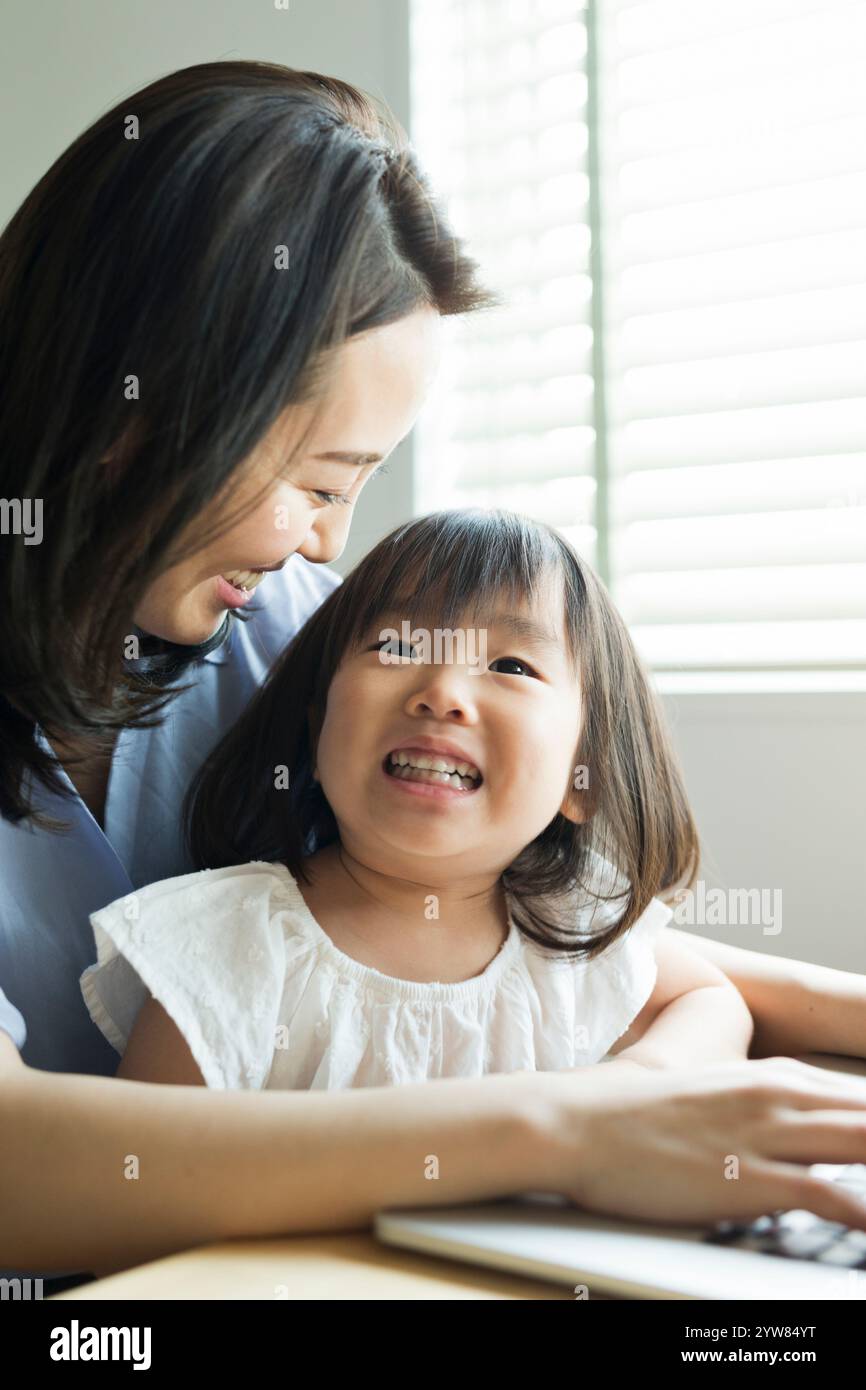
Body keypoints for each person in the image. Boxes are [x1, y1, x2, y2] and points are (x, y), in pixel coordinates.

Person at [2, 60, 865, 1291]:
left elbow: (558, 938)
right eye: (316, 480)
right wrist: (569, 1130)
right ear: (142, 412)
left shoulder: (273, 631)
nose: (326, 545)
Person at [80, 508, 756, 1090]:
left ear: (586, 778)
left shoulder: (575, 931)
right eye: (397, 645)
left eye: (511, 666)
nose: (441, 691)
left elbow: (709, 999)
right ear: (316, 733)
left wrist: (634, 1087)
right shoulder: (230, 946)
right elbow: (143, 1168)